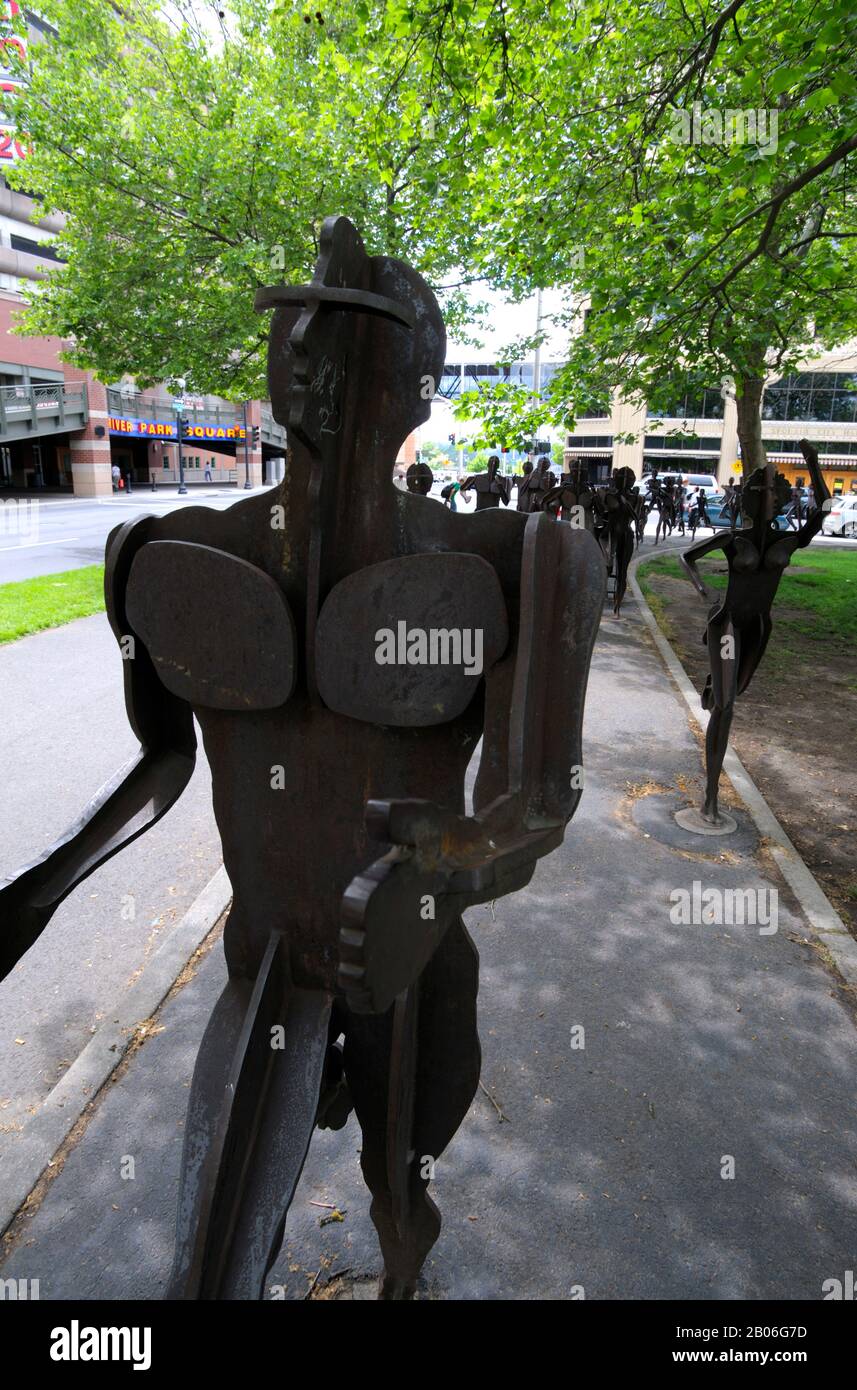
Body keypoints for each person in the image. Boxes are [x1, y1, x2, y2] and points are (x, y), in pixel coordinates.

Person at [680, 440, 830, 826]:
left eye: (772, 493)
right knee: (727, 708)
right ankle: (711, 795)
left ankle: (716, 685)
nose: (766, 500)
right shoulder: (734, 540)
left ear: (780, 499)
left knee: (733, 694)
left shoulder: (789, 541)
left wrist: (812, 464)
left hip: (759, 625)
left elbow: (824, 507)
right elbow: (687, 557)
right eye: (758, 493)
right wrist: (703, 591)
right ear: (747, 498)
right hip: (728, 623)